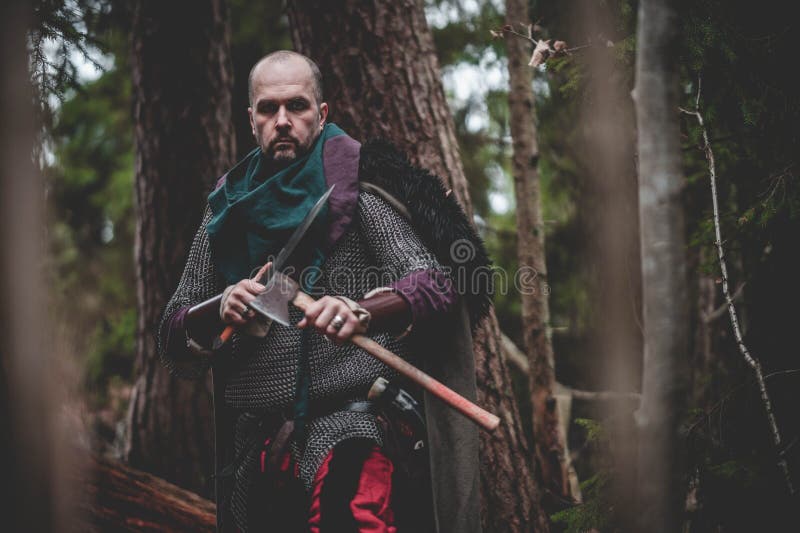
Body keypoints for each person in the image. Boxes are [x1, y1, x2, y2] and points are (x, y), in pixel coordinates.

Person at [158, 50, 491, 533]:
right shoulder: (225, 210)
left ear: (322, 113)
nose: (284, 121)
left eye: (298, 106)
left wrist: (364, 310)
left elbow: (434, 283)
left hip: (353, 427)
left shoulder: (353, 192)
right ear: (251, 118)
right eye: (269, 109)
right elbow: (171, 331)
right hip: (259, 444)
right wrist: (218, 308)